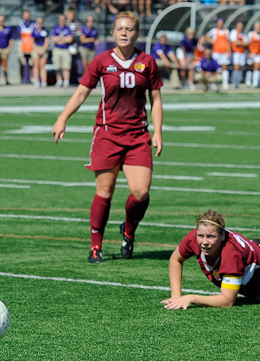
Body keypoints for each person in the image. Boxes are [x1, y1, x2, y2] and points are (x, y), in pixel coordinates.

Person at [52, 12, 164, 264]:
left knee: (141, 191)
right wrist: (62, 118)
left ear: (137, 34)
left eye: (129, 29)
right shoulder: (101, 61)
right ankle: (95, 247)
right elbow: (81, 93)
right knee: (105, 191)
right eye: (120, 29)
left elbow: (155, 99)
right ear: (113, 33)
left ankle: (128, 230)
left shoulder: (147, 62)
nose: (124, 33)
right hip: (107, 135)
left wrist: (157, 131)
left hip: (137, 135)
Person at [161, 210, 260, 309]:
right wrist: (176, 296)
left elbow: (227, 301)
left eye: (211, 237)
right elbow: (176, 260)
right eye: (201, 236)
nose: (204, 241)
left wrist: (191, 298)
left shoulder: (231, 254)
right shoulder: (193, 237)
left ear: (223, 235)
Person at [50, 14, 75, 88]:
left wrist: (60, 38)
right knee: (58, 67)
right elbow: (54, 39)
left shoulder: (68, 29)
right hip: (57, 49)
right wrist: (64, 39)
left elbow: (70, 39)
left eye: (63, 20)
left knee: (66, 66)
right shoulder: (55, 28)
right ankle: (59, 81)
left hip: (65, 49)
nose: (62, 21)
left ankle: (66, 81)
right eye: (61, 20)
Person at [207, 19, 231, 90]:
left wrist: (229, 51)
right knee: (214, 68)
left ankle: (225, 83)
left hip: (224, 52)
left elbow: (228, 42)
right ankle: (213, 83)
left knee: (224, 67)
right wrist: (212, 41)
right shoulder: (214, 30)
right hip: (216, 52)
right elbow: (207, 36)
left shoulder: (226, 31)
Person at [245, 22, 260, 89]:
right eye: (256, 27)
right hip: (252, 53)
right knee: (250, 68)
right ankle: (248, 82)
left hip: (258, 54)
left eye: (259, 27)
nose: (258, 28)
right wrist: (249, 52)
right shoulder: (250, 34)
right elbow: (247, 43)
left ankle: (255, 83)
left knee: (257, 67)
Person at [17, 11, 36, 84]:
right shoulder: (20, 23)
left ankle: (31, 77)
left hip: (31, 43)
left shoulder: (33, 23)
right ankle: (23, 78)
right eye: (25, 14)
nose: (27, 16)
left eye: (28, 14)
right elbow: (20, 34)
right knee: (22, 61)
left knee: (32, 62)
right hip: (23, 43)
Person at [31, 16, 49, 88]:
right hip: (36, 48)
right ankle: (37, 81)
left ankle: (44, 81)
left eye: (41, 22)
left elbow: (47, 41)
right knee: (36, 65)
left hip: (43, 48)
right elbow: (32, 42)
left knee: (42, 66)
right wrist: (37, 50)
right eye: (38, 22)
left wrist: (43, 50)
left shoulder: (45, 30)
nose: (40, 24)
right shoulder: (34, 30)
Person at [229, 21, 248, 89]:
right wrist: (242, 43)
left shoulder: (243, 33)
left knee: (240, 68)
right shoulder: (234, 32)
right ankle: (234, 82)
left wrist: (240, 43)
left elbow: (246, 43)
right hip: (236, 52)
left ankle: (238, 82)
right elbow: (235, 43)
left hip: (242, 52)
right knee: (236, 67)